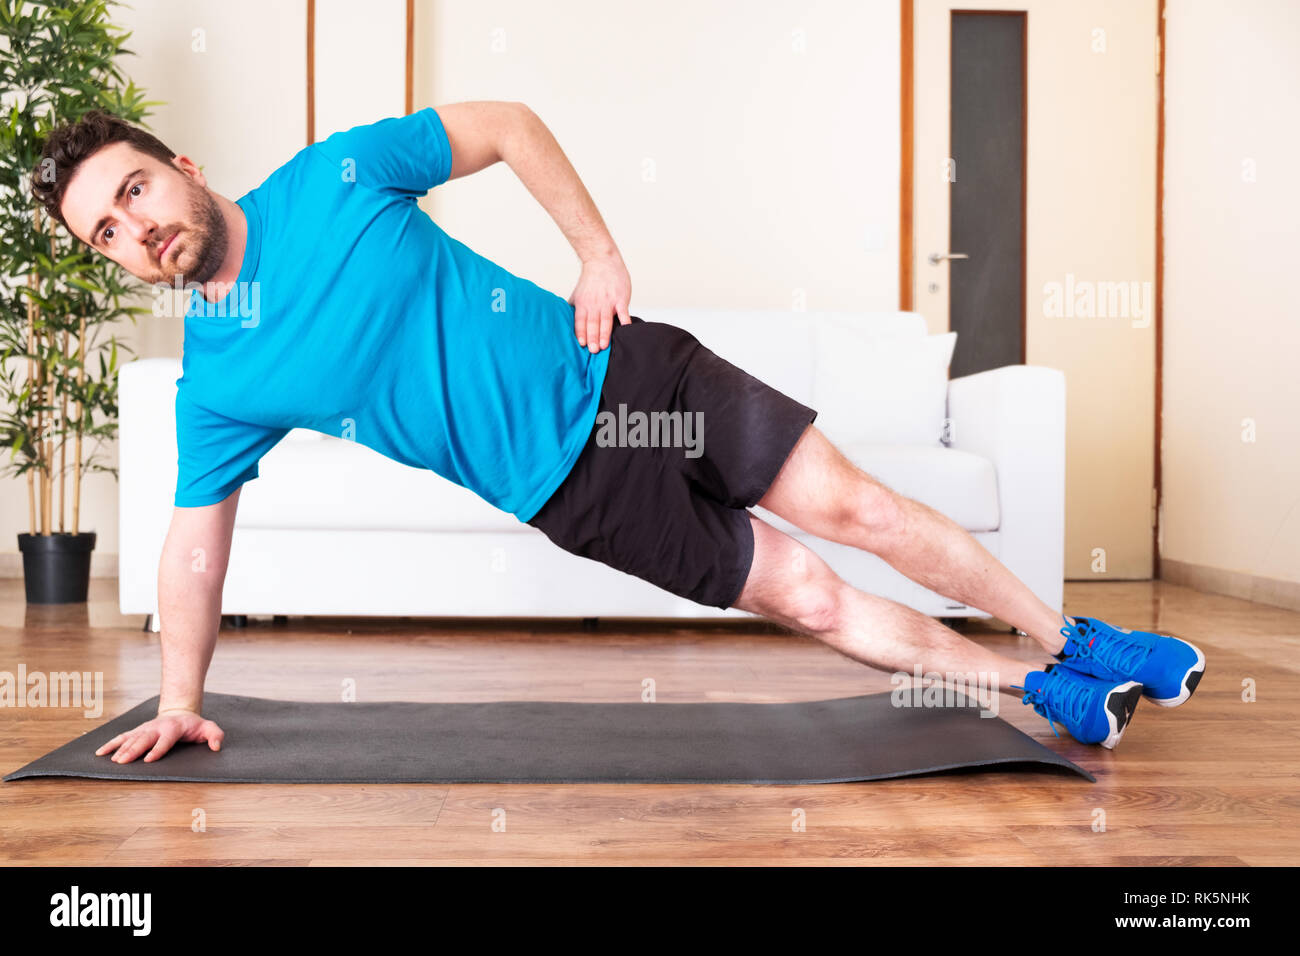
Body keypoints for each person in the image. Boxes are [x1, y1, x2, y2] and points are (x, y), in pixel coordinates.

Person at [29, 103, 1204, 764]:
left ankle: (1077, 631)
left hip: (635, 368)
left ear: (177, 167)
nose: (131, 232)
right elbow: (192, 548)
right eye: (103, 236)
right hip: (575, 492)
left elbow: (501, 126)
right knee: (806, 592)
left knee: (860, 509)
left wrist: (596, 251)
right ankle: (1035, 683)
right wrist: (179, 691)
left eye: (131, 193)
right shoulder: (216, 381)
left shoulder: (336, 173)